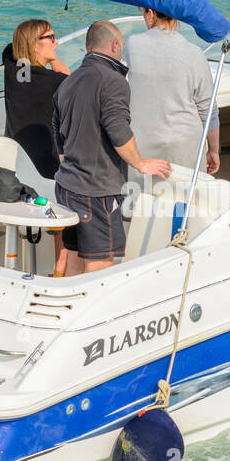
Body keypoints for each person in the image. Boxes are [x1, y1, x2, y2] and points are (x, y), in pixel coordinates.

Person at [53, 20, 171, 275]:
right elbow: (117, 128)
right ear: (115, 45)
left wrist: (71, 163)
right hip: (96, 192)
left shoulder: (68, 82)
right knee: (100, 262)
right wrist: (139, 163)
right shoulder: (113, 81)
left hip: (66, 186)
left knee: (74, 254)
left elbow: (57, 130)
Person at [125, 0, 219, 177]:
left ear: (150, 13)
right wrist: (213, 151)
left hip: (143, 145)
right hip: (185, 145)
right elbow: (208, 110)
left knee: (144, 203)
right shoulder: (194, 53)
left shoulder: (132, 46)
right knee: (185, 202)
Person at [3, 19, 70, 274]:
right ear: (34, 46)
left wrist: (40, 50)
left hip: (15, 162)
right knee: (72, 181)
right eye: (51, 38)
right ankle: (60, 266)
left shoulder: (14, 66)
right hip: (43, 168)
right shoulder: (52, 82)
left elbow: (10, 49)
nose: (57, 42)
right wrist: (54, 60)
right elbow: (69, 78)